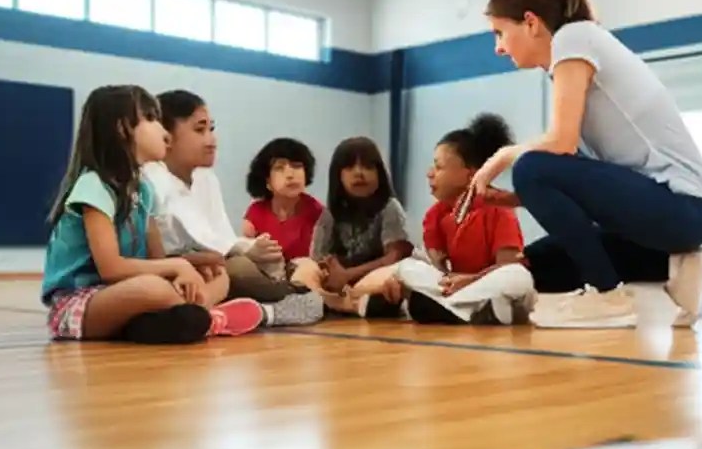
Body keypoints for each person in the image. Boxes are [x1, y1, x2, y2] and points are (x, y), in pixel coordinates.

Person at [474, 0, 702, 329]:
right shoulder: (572, 53)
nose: (498, 47)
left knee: (529, 167)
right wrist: (517, 199)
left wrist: (501, 157)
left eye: (499, 33)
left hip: (681, 206)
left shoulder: (573, 39)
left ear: (530, 22)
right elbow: (585, 176)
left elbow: (560, 143)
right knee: (542, 259)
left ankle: (608, 295)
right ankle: (675, 266)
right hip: (672, 215)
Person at [41, 85, 264, 343]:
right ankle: (205, 316)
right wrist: (178, 266)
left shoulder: (144, 190)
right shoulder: (94, 185)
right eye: (151, 118)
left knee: (217, 273)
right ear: (123, 128)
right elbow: (111, 268)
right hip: (82, 302)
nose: (163, 130)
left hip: (124, 293)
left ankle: (178, 319)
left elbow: (156, 259)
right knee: (153, 288)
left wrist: (192, 265)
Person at [141, 90, 324, 326]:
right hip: (180, 271)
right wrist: (221, 256)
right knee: (238, 270)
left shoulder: (206, 178)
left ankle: (255, 308)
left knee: (254, 268)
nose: (211, 139)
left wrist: (253, 249)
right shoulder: (152, 180)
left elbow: (221, 237)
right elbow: (159, 253)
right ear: (167, 137)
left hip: (212, 267)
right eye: (200, 130)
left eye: (211, 129)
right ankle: (264, 307)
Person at [379, 113, 537, 325]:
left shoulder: (499, 208)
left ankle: (456, 310)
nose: (429, 173)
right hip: (457, 290)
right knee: (407, 267)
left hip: (488, 286)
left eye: (439, 166)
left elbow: (507, 265)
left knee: (518, 276)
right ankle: (475, 311)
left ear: (470, 175)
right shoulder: (434, 215)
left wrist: (470, 281)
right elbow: (440, 271)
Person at [306, 136, 414, 316]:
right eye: (349, 167)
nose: (359, 173)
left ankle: (342, 304)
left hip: (373, 279)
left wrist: (348, 274)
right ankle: (343, 303)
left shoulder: (389, 207)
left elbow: (395, 257)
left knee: (390, 280)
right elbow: (317, 258)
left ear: (380, 174)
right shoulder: (330, 213)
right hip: (338, 285)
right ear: (338, 175)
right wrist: (331, 273)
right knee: (304, 269)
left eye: (368, 167)